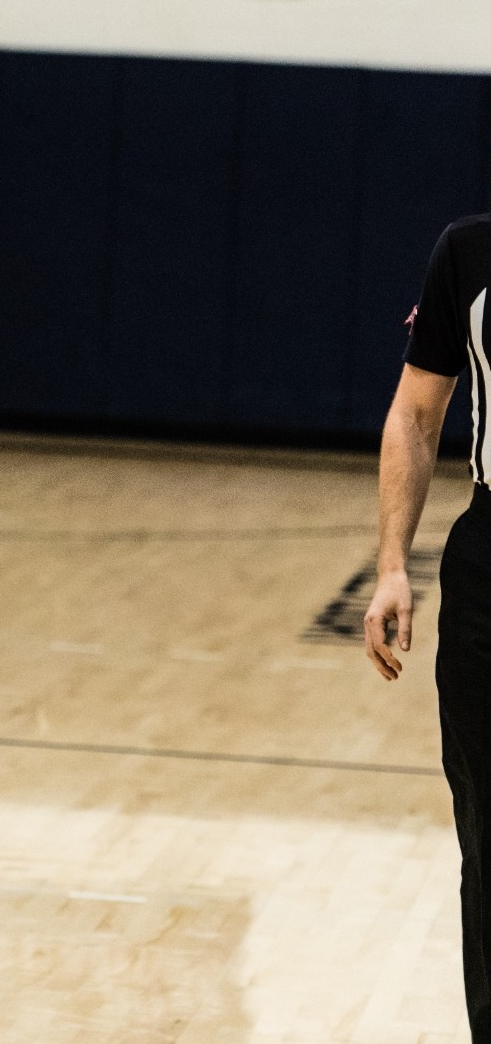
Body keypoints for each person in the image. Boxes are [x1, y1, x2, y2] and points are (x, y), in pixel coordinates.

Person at [366, 214, 491, 1039]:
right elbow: (416, 411)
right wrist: (389, 564)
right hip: (490, 562)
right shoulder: (469, 252)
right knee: (486, 844)